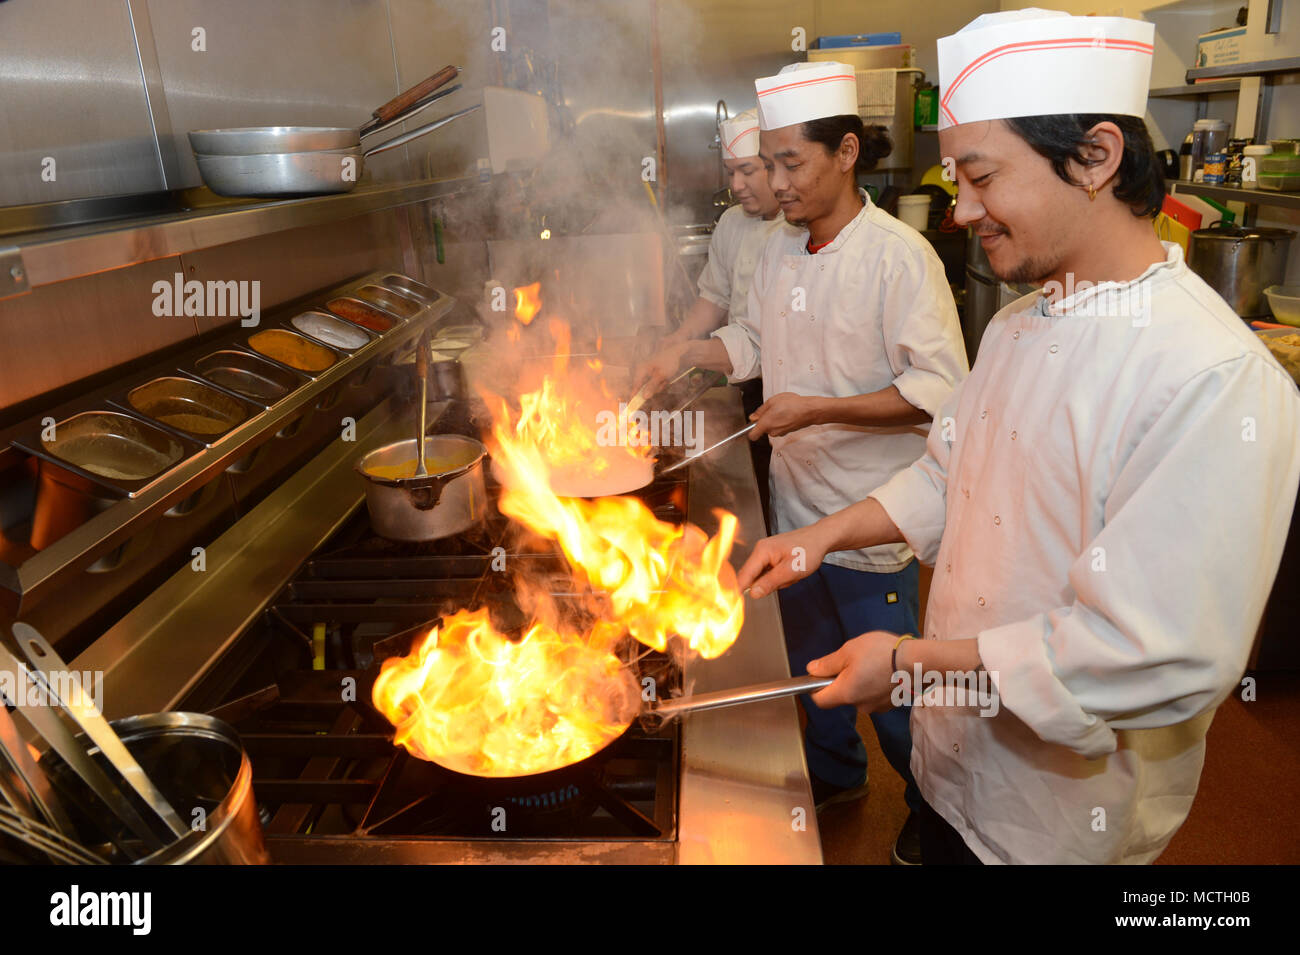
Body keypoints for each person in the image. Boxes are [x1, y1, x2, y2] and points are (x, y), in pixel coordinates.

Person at [738, 9, 1300, 865]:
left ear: (1096, 157)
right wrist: (822, 535)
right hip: (950, 764)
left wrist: (914, 663)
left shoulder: (1210, 379)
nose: (961, 210)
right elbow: (948, 475)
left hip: (1058, 823)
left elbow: (1143, 654)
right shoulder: (1016, 326)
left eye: (981, 176)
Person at [674, 60, 968, 864]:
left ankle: (929, 805)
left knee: (894, 687)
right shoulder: (773, 249)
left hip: (876, 519)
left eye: (787, 164)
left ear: (845, 152)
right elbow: (754, 342)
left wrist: (819, 406)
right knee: (812, 672)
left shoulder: (900, 258)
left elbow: (942, 390)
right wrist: (681, 350)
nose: (772, 183)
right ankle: (838, 776)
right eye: (765, 164)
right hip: (796, 510)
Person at [635, 108, 784, 521]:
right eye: (730, 172)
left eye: (748, 171)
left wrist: (687, 353)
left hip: (792, 384)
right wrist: (678, 339)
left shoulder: (799, 230)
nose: (736, 185)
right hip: (744, 379)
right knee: (763, 483)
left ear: (776, 166)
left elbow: (761, 337)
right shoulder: (732, 224)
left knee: (783, 487)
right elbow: (714, 297)